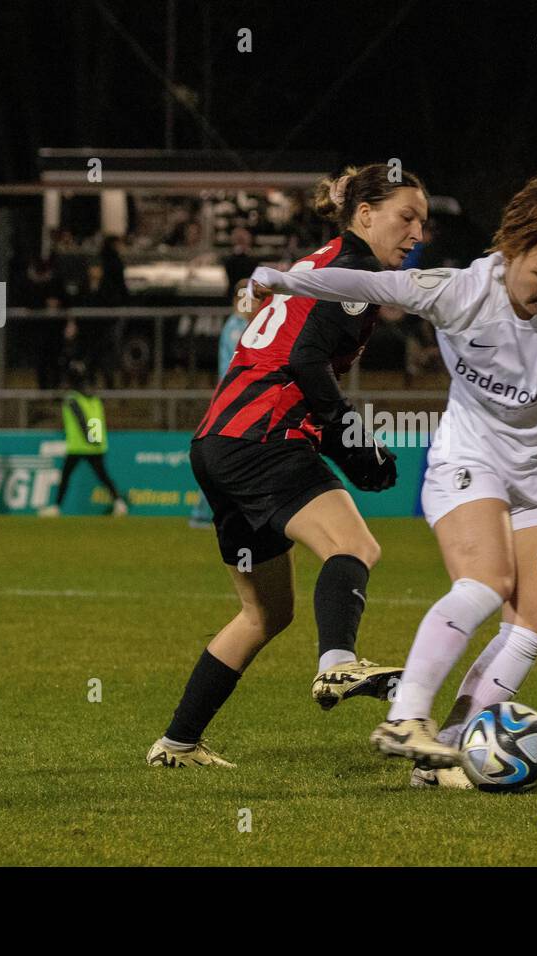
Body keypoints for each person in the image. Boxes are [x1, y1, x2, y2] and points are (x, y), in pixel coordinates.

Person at [252, 168, 537, 787]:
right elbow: (366, 280)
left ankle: (443, 749)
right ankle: (406, 718)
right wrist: (284, 278)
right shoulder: (462, 292)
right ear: (510, 253)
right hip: (468, 461)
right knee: (489, 579)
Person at [146, 163, 428, 770]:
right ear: (364, 214)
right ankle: (336, 664)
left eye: (422, 223)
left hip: (219, 441)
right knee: (355, 544)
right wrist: (355, 445)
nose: (416, 233)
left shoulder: (321, 260)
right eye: (406, 217)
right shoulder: (353, 276)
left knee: (265, 612)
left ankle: (177, 744)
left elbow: (287, 354)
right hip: (262, 439)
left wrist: (350, 448)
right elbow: (304, 362)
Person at [191, 279, 256, 529]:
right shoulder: (237, 327)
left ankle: (208, 512)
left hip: (235, 398)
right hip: (233, 400)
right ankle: (202, 513)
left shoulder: (240, 325)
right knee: (224, 457)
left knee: (225, 457)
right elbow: (236, 367)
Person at [40, 362, 128, 517]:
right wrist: (94, 440)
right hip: (95, 445)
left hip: (79, 445)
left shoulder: (72, 399)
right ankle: (119, 503)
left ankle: (56, 507)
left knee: (66, 476)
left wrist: (89, 438)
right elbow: (95, 419)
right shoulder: (94, 400)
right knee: (103, 476)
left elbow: (81, 421)